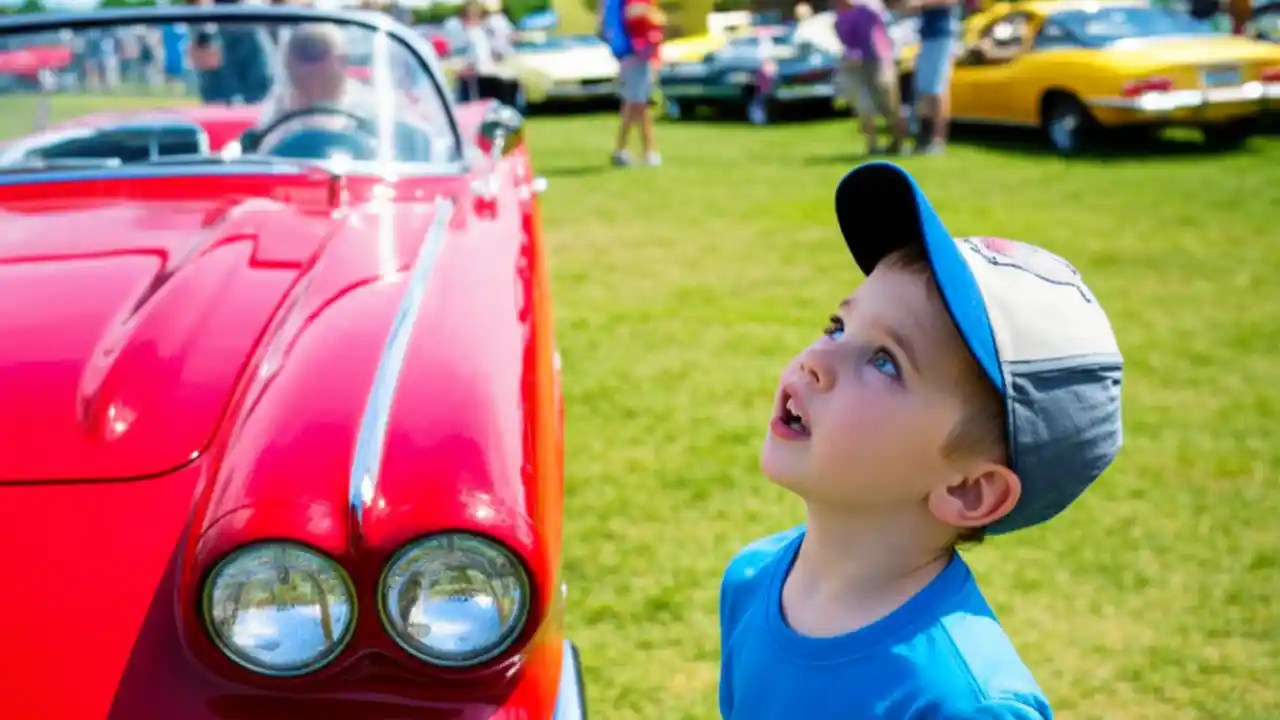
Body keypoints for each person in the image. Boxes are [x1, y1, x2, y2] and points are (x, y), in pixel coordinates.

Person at [718, 161, 1124, 719]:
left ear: (968, 490)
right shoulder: (753, 577)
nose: (816, 360)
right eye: (837, 326)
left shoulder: (961, 702)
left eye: (885, 361)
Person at [834, 0, 907, 155]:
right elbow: (846, 38)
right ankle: (872, 144)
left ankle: (898, 141)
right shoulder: (841, 14)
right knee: (863, 105)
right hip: (856, 63)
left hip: (880, 58)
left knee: (889, 101)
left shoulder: (869, 6)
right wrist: (852, 53)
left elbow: (879, 19)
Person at [611, 0, 665, 167]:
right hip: (637, 54)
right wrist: (654, 14)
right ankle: (646, 152)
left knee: (636, 104)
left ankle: (624, 150)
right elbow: (633, 12)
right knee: (638, 104)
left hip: (637, 55)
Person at [910, 0, 959, 154]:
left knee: (937, 89)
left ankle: (938, 139)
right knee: (925, 89)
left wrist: (920, 3)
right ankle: (925, 137)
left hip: (941, 36)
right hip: (927, 37)